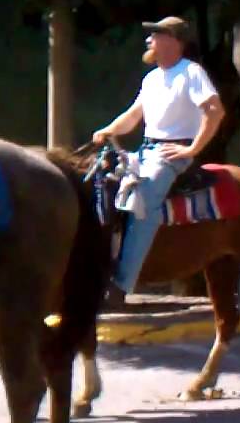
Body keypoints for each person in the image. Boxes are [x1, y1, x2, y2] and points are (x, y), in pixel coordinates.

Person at [92, 16, 224, 301]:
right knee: (99, 186)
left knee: (143, 201)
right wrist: (107, 130)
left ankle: (121, 286)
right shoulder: (152, 78)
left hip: (171, 154)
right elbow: (133, 116)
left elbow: (215, 111)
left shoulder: (191, 72)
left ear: (175, 41)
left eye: (156, 34)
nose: (149, 40)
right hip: (145, 151)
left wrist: (192, 150)